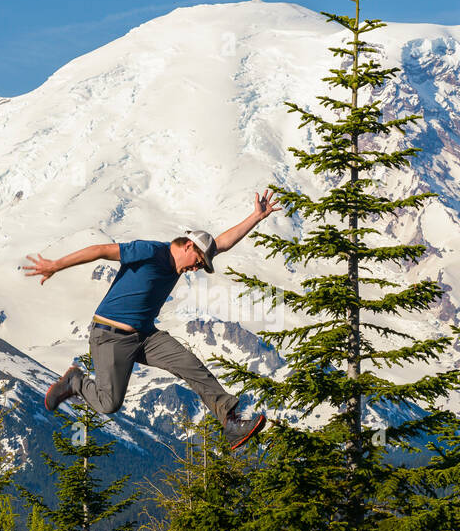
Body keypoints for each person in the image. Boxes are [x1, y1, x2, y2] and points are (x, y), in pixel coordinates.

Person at [20, 191, 281, 450]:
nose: (196, 268)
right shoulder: (149, 250)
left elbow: (221, 243)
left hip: (145, 336)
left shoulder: (187, 260)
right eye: (198, 262)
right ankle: (75, 382)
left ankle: (230, 421)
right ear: (188, 245)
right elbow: (100, 250)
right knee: (109, 404)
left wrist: (256, 217)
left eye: (201, 266)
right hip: (110, 335)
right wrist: (56, 265)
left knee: (190, 364)